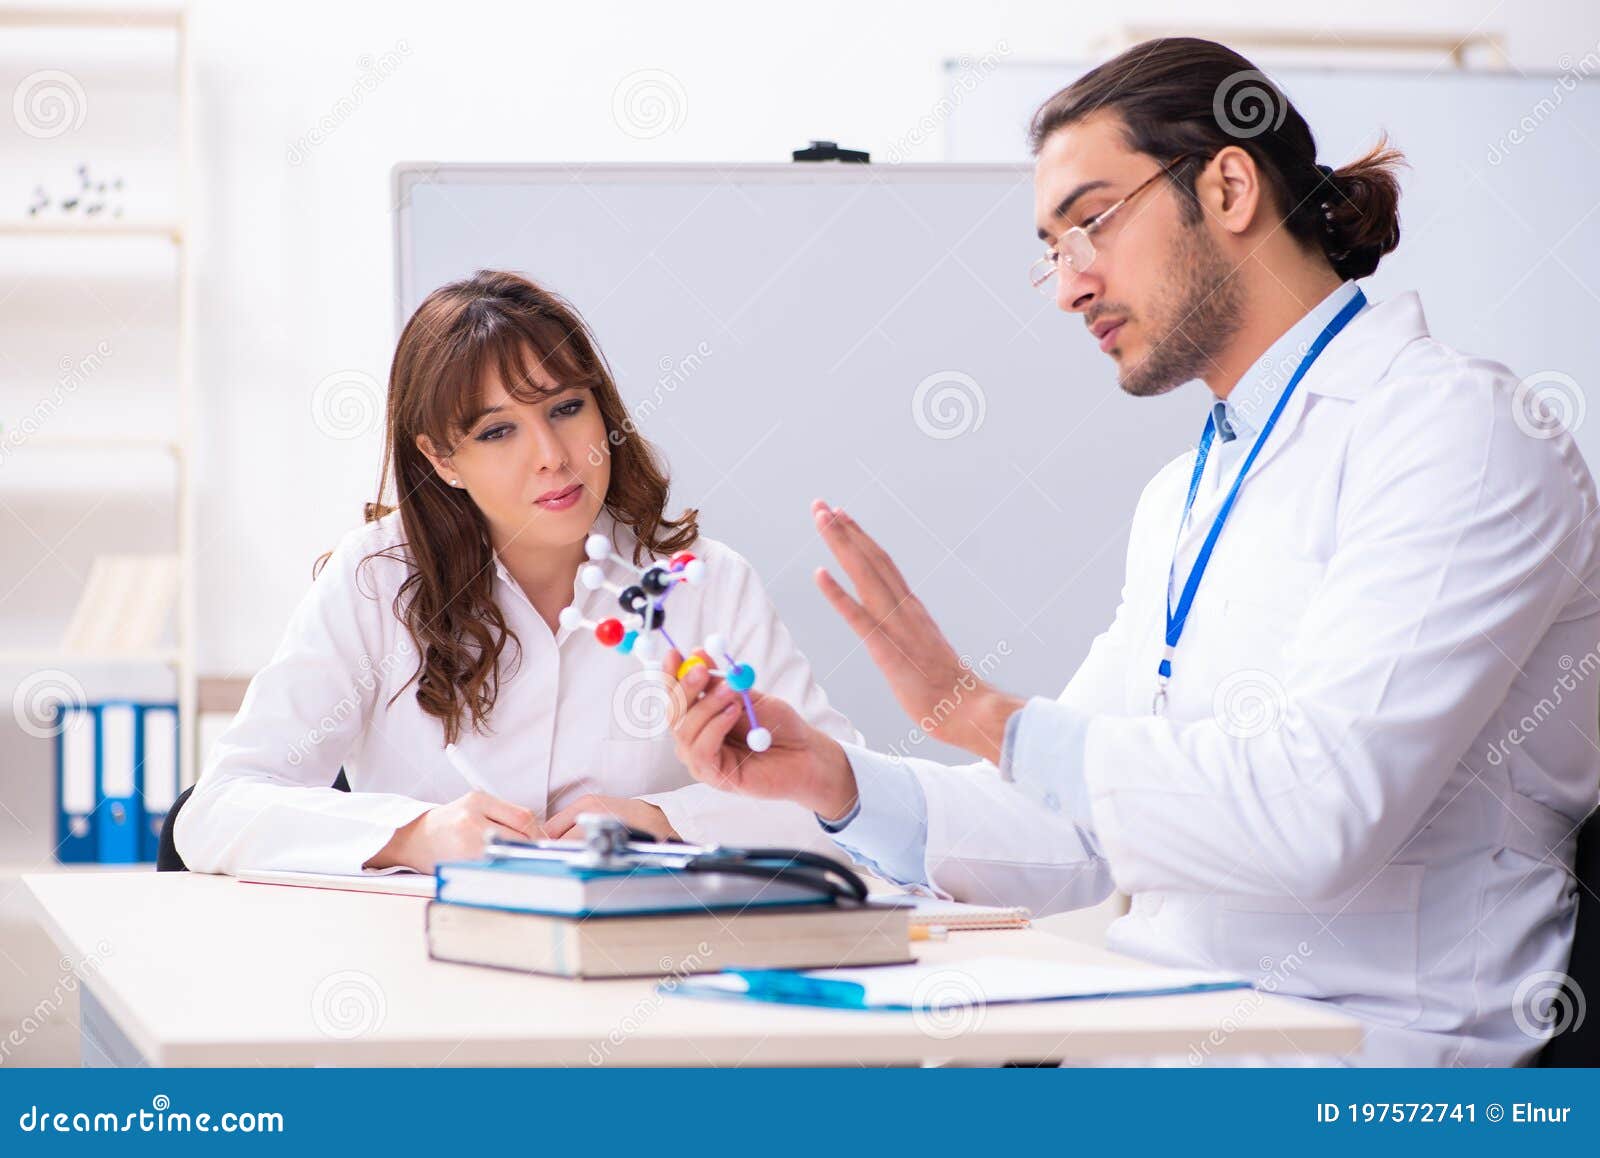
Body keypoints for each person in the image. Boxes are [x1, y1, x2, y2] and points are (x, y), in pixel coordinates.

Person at [662, 39, 1600, 1066]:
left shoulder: (1457, 432)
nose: (1069, 286)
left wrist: (982, 713)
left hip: (1376, 1065)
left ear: (1229, 185)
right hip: (1171, 1042)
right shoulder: (1187, 492)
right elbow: (1078, 826)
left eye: (1092, 222)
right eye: (1052, 248)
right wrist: (836, 782)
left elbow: (1317, 815)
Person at [176, 270, 856, 876]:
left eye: (566, 410)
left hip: (645, 968)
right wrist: (415, 835)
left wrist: (663, 822)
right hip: (427, 978)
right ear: (442, 458)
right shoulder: (374, 580)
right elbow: (218, 811)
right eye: (498, 432)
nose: (552, 457)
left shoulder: (702, 581)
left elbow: (846, 800)